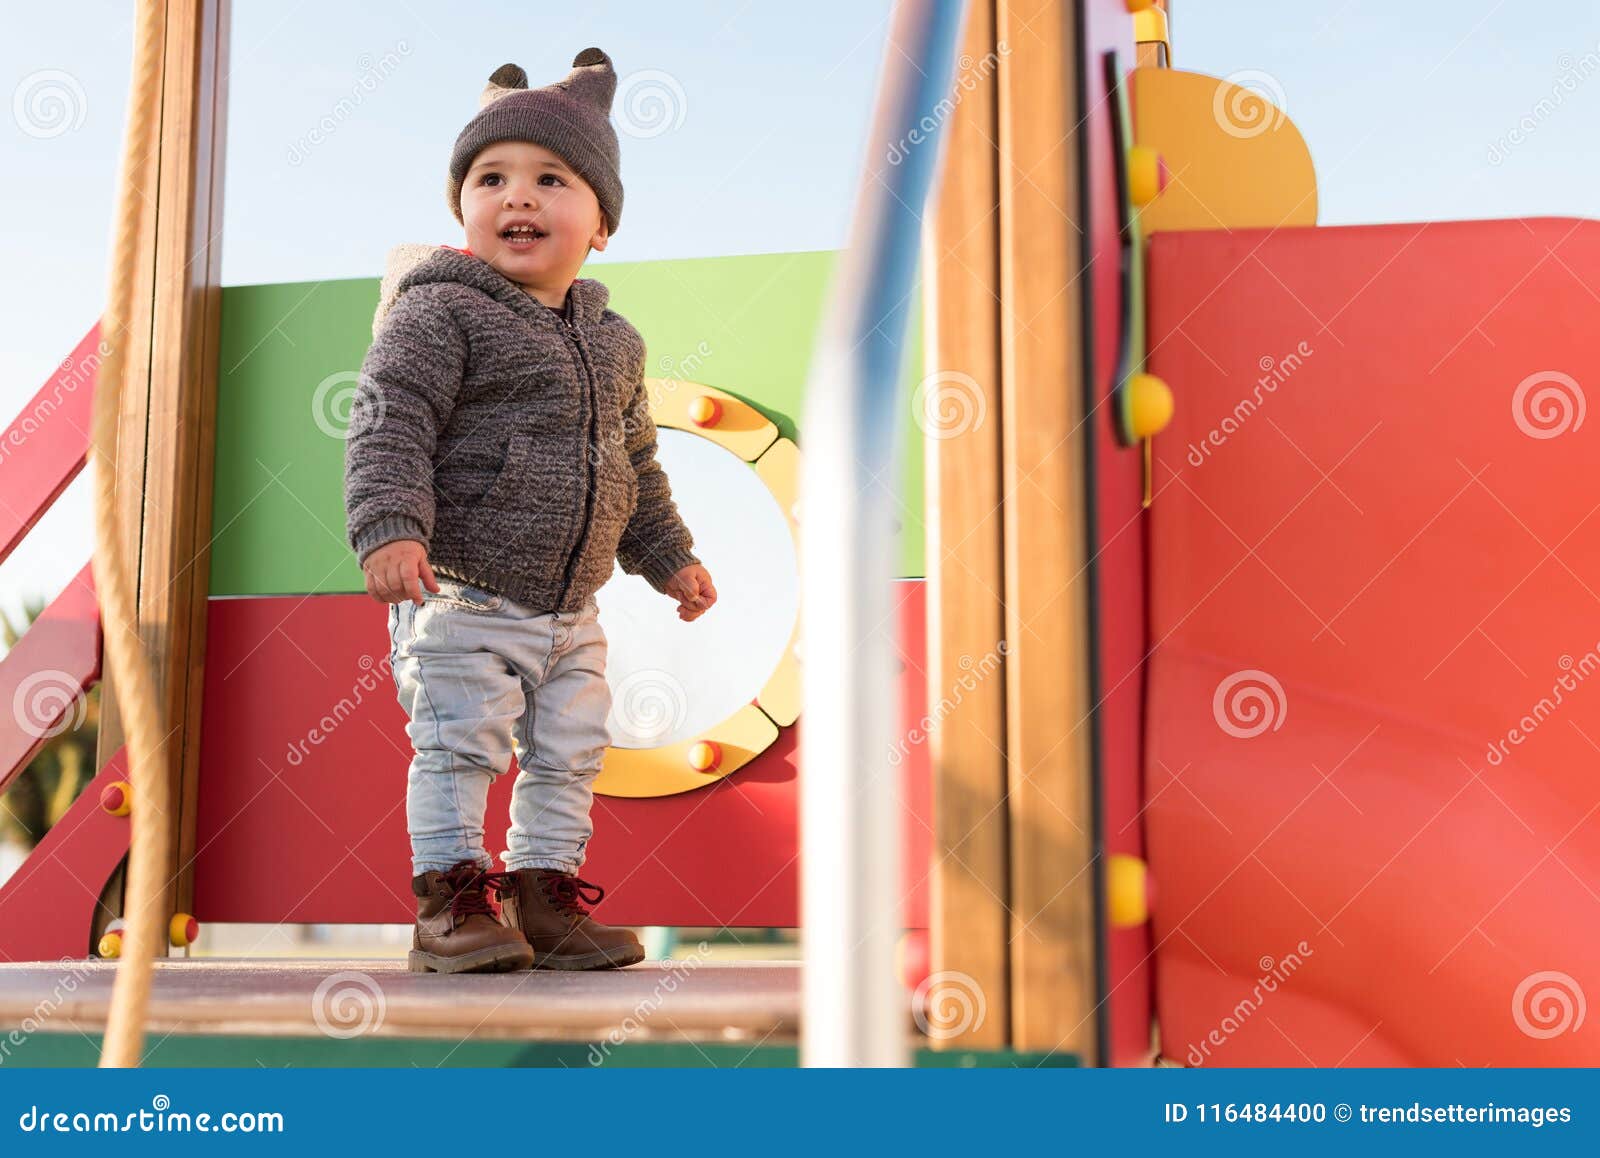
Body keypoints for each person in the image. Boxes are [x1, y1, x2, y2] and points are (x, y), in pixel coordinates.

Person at [343, 48, 718, 974]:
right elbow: (391, 420)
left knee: (572, 754)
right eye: (491, 178)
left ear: (602, 225)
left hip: (571, 611)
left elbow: (635, 464)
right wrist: (391, 524)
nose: (519, 197)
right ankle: (449, 903)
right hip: (463, 595)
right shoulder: (440, 313)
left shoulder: (616, 343)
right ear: (463, 211)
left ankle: (544, 897)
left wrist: (669, 556)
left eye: (552, 179)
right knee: (459, 745)